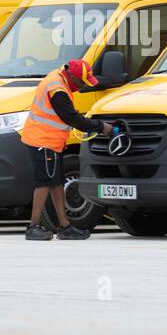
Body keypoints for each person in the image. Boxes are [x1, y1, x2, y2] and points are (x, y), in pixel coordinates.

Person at [20, 59, 111, 240]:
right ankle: (33, 227)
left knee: (56, 183)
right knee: (44, 182)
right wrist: (100, 126)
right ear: (72, 76)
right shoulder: (58, 89)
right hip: (43, 141)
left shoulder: (58, 78)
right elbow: (72, 118)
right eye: (81, 82)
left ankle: (64, 226)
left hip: (50, 142)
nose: (83, 86)